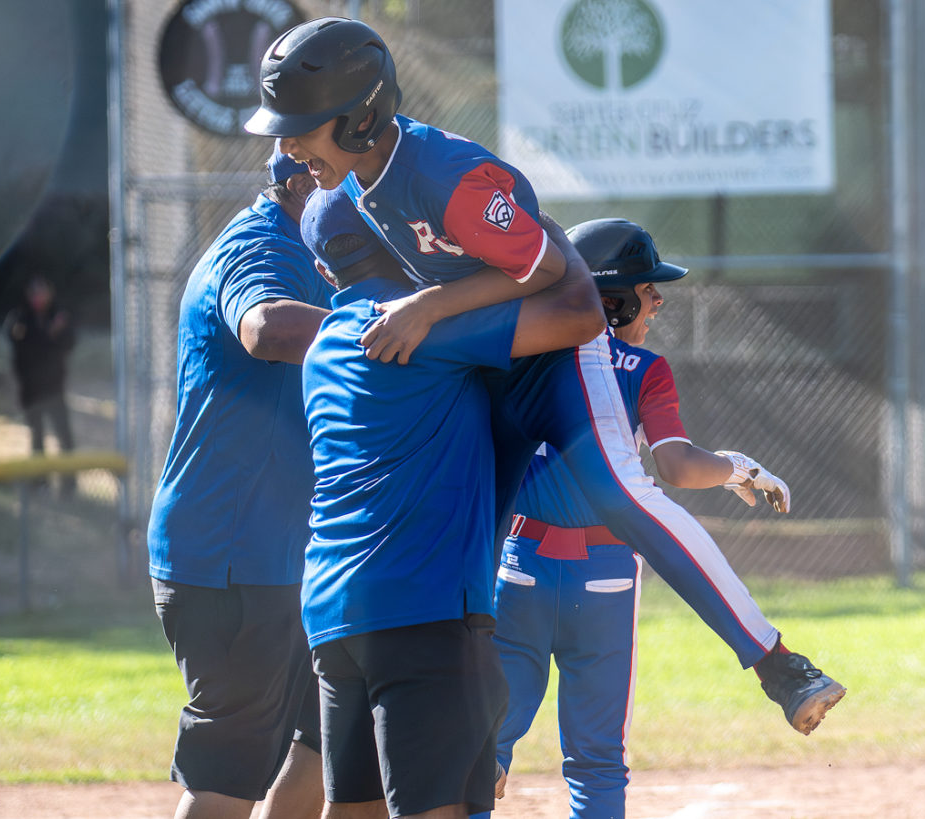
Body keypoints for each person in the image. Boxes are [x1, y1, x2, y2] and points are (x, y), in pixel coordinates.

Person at [245, 15, 844, 764]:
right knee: (477, 535)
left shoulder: (445, 175)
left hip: (556, 352)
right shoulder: (345, 195)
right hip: (485, 359)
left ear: (362, 119)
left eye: (302, 130)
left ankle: (777, 662)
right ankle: (466, 739)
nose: (289, 149)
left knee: (622, 494)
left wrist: (429, 306)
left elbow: (549, 274)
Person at [480, 218, 844, 819]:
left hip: (519, 569)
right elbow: (676, 466)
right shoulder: (639, 367)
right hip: (603, 576)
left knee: (479, 750)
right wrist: (737, 467)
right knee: (596, 761)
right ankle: (779, 665)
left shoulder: (514, 359)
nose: (658, 302)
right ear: (612, 302)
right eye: (648, 290)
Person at [295, 184, 603, 818]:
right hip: (423, 611)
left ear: (323, 271)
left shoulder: (322, 344)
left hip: (334, 612)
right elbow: (580, 314)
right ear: (405, 238)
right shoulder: (426, 327)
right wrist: (540, 232)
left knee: (352, 809)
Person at [146, 141, 331, 819]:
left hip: (293, 554)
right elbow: (266, 327)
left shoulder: (321, 252)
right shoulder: (261, 245)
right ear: (306, 182)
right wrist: (389, 328)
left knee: (327, 744)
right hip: (232, 556)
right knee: (229, 778)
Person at [3, 274, 77, 492]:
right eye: (33, 291)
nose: (38, 296)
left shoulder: (59, 315)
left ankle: (68, 484)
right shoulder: (20, 318)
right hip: (31, 390)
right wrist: (49, 333)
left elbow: (69, 342)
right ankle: (40, 482)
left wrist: (55, 332)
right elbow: (23, 345)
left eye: (41, 291)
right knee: (37, 437)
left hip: (54, 388)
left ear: (50, 293)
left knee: (64, 436)